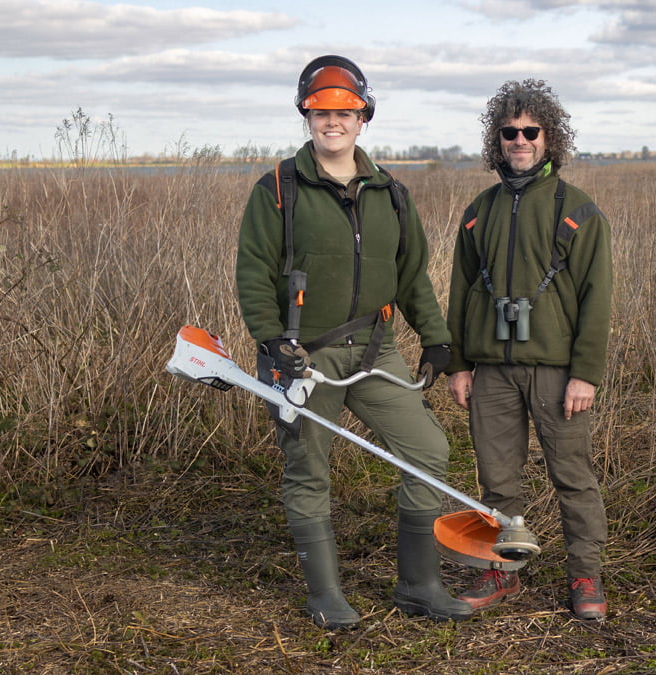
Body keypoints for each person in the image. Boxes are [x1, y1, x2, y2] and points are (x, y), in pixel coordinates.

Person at [235, 55, 471, 629]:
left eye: (344, 111)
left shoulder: (391, 193)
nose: (332, 121)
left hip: (375, 349)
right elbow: (253, 274)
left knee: (427, 450)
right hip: (302, 356)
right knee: (308, 467)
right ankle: (324, 595)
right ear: (306, 115)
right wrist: (272, 343)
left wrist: (437, 342)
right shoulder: (277, 191)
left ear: (364, 116)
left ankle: (418, 585)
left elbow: (412, 276)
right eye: (320, 111)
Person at [445, 79, 613, 620]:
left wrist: (585, 374)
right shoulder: (479, 209)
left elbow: (597, 299)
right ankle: (501, 571)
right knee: (496, 479)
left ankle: (585, 576)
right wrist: (458, 364)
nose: (519, 140)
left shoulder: (579, 212)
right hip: (491, 371)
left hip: (557, 372)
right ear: (498, 140)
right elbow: (460, 288)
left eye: (530, 131)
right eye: (509, 132)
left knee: (573, 476)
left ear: (549, 138)